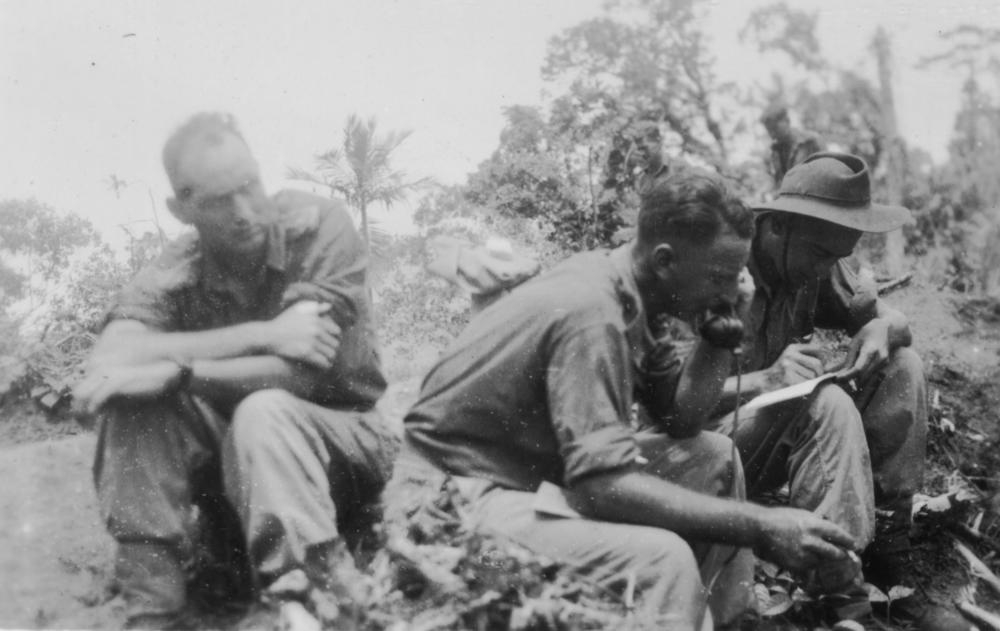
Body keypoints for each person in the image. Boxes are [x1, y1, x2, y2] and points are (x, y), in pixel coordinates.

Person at [405, 170, 861, 630]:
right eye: (721, 276)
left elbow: (682, 418)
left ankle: (734, 621)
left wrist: (721, 333)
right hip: (449, 507)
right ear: (665, 261)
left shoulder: (635, 292)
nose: (735, 289)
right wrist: (762, 526)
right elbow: (600, 485)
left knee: (715, 456)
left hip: (525, 482)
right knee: (662, 563)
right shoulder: (593, 313)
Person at [73, 112, 398, 629]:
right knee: (134, 404)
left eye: (250, 186)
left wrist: (179, 371)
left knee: (263, 410)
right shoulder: (178, 268)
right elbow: (109, 361)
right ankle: (153, 607)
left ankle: (308, 599)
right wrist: (261, 335)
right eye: (220, 199)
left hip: (346, 444)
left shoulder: (319, 227)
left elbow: (303, 377)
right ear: (183, 209)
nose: (245, 212)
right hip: (238, 472)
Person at [709, 152, 970, 630]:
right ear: (778, 227)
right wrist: (763, 382)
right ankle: (839, 591)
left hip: (763, 445)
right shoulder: (715, 270)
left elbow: (893, 320)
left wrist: (883, 329)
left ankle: (891, 560)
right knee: (823, 404)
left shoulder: (813, 259)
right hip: (703, 455)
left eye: (840, 255)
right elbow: (662, 407)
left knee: (901, 364)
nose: (828, 268)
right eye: (822, 254)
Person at [761, 103, 822, 188]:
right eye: (769, 131)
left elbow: (826, 175)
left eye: (775, 129)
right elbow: (770, 180)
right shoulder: (771, 153)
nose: (772, 135)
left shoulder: (811, 142)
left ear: (787, 120)